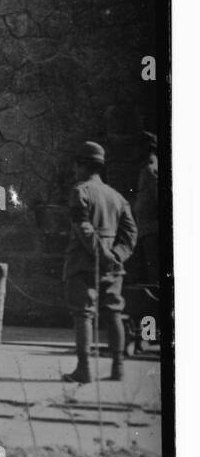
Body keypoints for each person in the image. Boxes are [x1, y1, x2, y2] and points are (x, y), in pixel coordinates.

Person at [62, 141, 138, 383]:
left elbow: (83, 228)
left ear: (82, 165)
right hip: (113, 268)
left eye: (76, 166)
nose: (74, 171)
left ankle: (84, 369)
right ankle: (118, 368)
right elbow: (131, 234)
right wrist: (116, 257)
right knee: (114, 313)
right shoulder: (117, 197)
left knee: (83, 314)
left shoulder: (79, 192)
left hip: (83, 264)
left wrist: (103, 256)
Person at [132, 131, 159, 286]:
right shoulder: (145, 169)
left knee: (154, 275)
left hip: (151, 230)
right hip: (145, 229)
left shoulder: (151, 169)